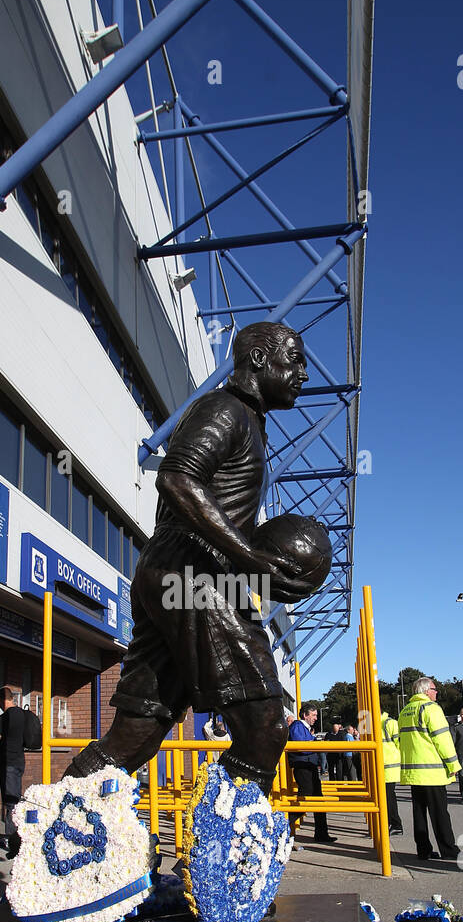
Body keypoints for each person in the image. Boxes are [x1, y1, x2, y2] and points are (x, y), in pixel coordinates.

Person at [62, 322, 311, 799]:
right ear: (260, 359)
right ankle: (218, 864)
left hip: (183, 573)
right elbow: (176, 478)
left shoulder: (250, 421)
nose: (302, 371)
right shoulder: (226, 408)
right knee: (264, 726)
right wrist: (248, 555)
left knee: (135, 732)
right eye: (295, 358)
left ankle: (49, 826)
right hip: (196, 574)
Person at [398, 677, 461, 862]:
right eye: (434, 689)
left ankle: (423, 850)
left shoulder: (405, 711)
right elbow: (442, 739)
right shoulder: (431, 709)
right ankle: (449, 849)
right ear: (426, 691)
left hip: (414, 772)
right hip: (432, 771)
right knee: (440, 812)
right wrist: (453, 764)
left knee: (419, 813)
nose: (436, 692)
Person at [0, 686, 28, 857]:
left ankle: (12, 839)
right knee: (16, 798)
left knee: (10, 802)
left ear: (0, 700)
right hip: (19, 760)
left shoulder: (4, 717)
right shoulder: (22, 714)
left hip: (8, 763)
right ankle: (18, 835)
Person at [287, 703, 335, 844]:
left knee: (319, 800)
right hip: (303, 767)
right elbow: (301, 747)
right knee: (305, 800)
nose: (315, 718)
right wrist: (315, 744)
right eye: (313, 715)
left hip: (310, 767)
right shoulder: (297, 726)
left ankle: (322, 833)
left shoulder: (305, 729)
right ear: (305, 715)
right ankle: (282, 825)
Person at [381, 709, 403, 835]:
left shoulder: (389, 723)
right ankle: (391, 823)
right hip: (383, 766)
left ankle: (395, 824)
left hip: (389, 766)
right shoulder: (372, 724)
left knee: (388, 797)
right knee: (386, 797)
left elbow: (399, 743)